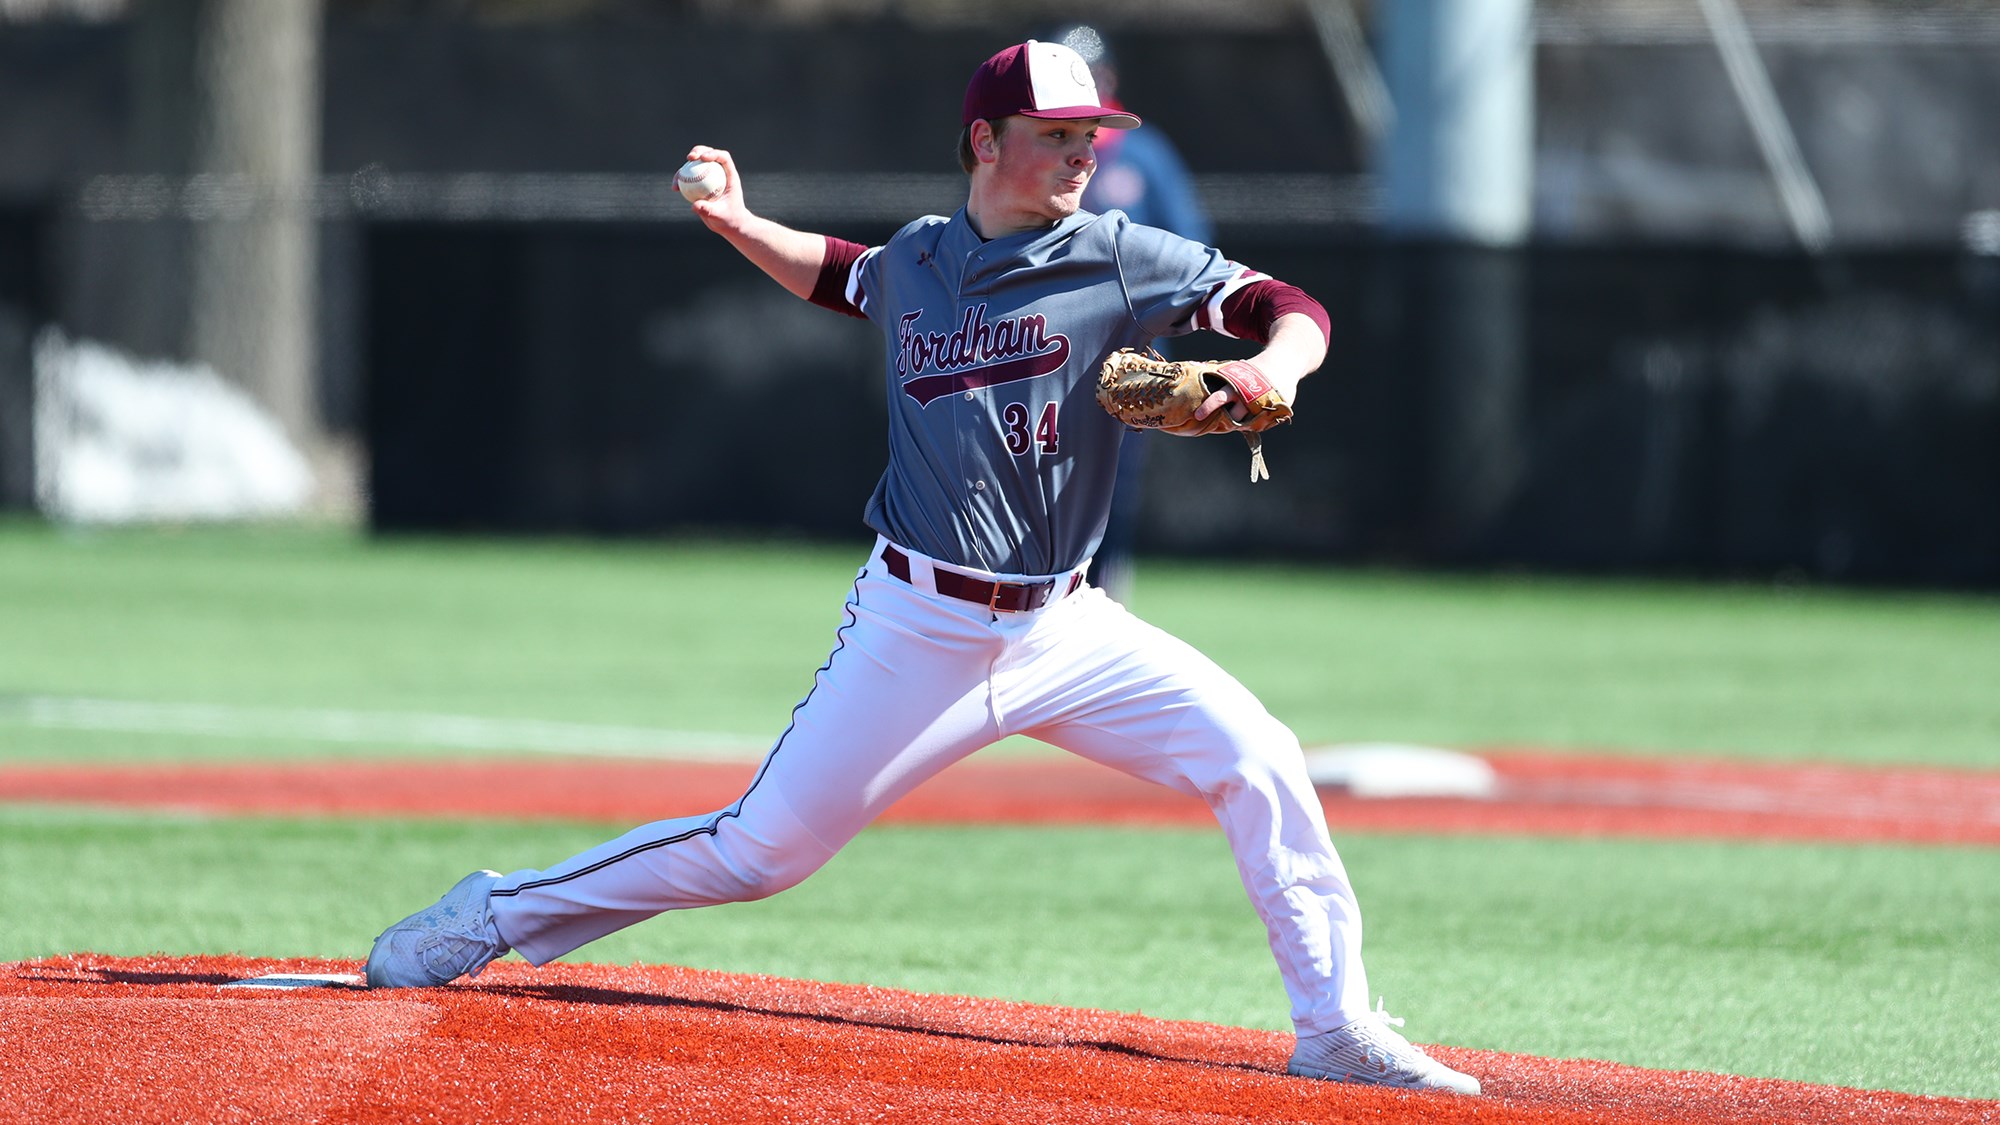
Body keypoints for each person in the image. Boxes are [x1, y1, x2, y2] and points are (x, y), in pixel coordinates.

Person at [364, 39, 1480, 1097]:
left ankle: (1333, 1026)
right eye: (1057, 134)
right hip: (918, 627)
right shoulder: (917, 262)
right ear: (983, 143)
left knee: (1257, 756)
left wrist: (1270, 368)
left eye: (1091, 133)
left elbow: (1287, 306)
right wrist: (738, 221)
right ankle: (500, 913)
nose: (1086, 154)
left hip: (1068, 630)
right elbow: (840, 275)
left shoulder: (1117, 253)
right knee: (761, 853)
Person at [1051, 24, 1213, 605]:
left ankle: (1104, 604)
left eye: (1088, 71)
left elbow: (1192, 251)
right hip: (1038, 355)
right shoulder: (1037, 154)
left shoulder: (1143, 154)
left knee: (1110, 495)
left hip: (1127, 361)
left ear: (1109, 76)